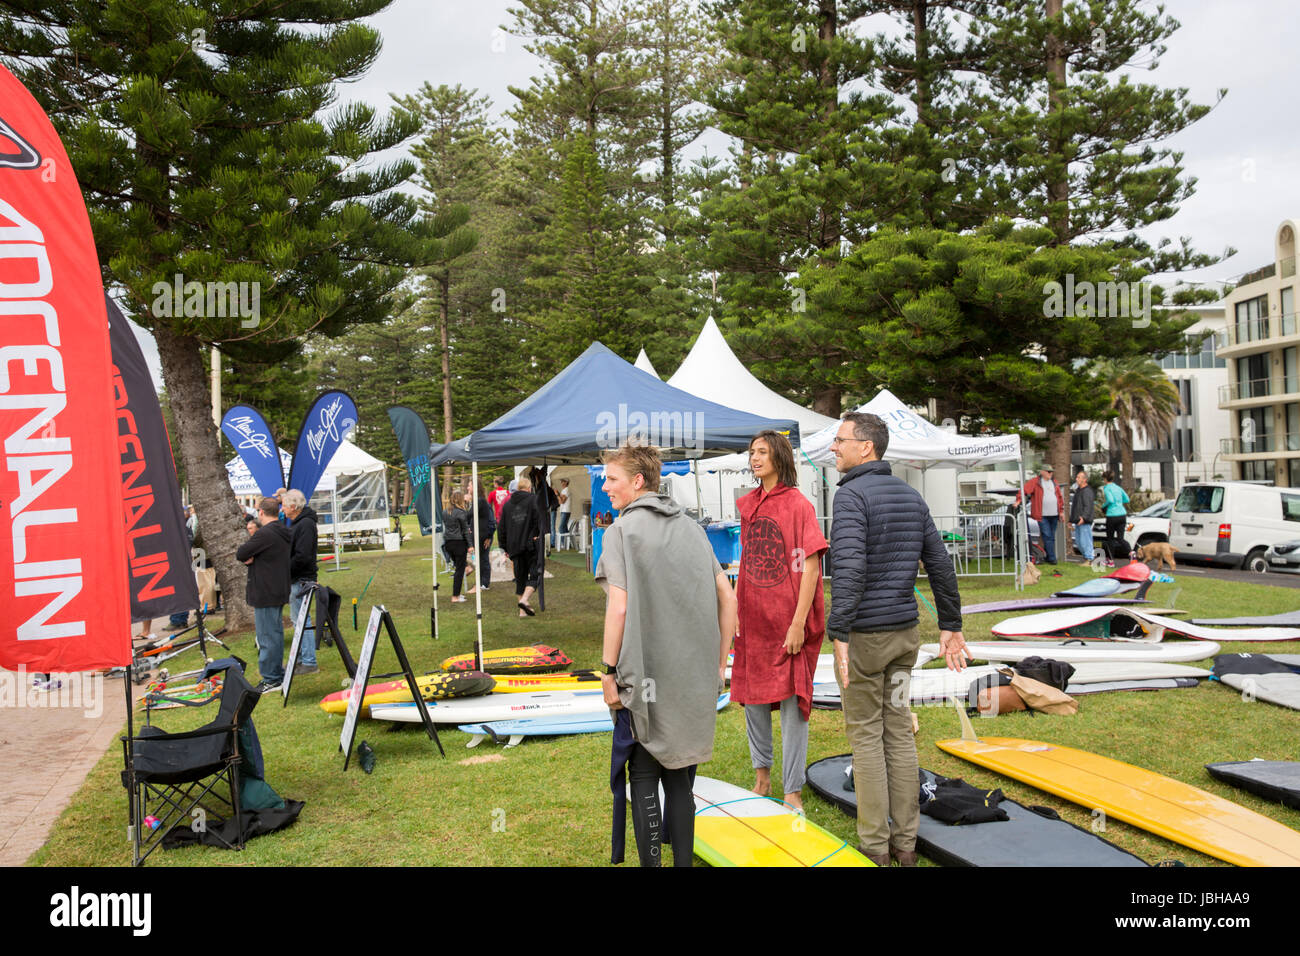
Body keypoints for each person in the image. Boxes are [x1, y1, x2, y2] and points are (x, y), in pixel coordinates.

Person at [827, 412, 968, 867]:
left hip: (866, 638)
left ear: (865, 447)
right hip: (906, 638)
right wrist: (950, 624)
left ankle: (876, 847)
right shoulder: (911, 496)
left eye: (841, 440)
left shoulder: (850, 496)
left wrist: (840, 632)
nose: (834, 447)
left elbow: (849, 569)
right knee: (899, 733)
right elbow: (940, 565)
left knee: (867, 737)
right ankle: (906, 844)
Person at [595, 443, 737, 867]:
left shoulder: (621, 531)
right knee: (680, 782)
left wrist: (606, 671)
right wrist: (719, 662)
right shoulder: (692, 527)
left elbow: (618, 607)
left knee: (642, 776)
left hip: (643, 677)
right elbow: (727, 597)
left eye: (612, 479)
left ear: (638, 481)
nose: (605, 487)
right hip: (691, 677)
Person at [732, 430, 827, 812]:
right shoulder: (748, 504)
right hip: (754, 619)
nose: (755, 458)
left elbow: (811, 564)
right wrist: (737, 613)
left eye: (762, 452)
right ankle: (762, 778)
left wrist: (798, 623)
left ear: (779, 458)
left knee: (792, 703)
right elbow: (748, 561)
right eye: (752, 452)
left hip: (788, 619)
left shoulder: (798, 505)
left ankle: (792, 791)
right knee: (754, 699)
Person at [236, 496, 292, 693]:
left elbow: (241, 553)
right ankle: (277, 673)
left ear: (260, 512)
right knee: (274, 633)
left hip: (266, 589)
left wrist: (252, 557)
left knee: (267, 636)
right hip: (278, 586)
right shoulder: (284, 530)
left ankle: (271, 678)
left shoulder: (265, 533)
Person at [282, 489, 319, 674]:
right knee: (297, 619)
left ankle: (309, 661)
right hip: (297, 577)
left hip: (301, 578)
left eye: (284, 505)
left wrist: (285, 569)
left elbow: (303, 556)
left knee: (302, 619)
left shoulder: (305, 525)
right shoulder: (300, 523)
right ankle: (301, 657)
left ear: (293, 507)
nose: (283, 509)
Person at [499, 475, 541, 616]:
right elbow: (538, 520)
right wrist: (536, 534)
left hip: (514, 547)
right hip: (530, 545)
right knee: (535, 574)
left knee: (520, 578)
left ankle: (522, 612)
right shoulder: (533, 500)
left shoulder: (507, 505)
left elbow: (501, 528)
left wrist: (505, 547)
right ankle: (524, 599)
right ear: (529, 488)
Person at [1014, 464, 1065, 565]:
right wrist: (1018, 500)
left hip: (1054, 514)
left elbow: (1059, 497)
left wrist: (1061, 512)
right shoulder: (1035, 482)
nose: (1051, 473)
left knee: (1051, 537)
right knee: (1047, 536)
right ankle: (1052, 558)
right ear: (1042, 472)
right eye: (1048, 472)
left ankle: (1046, 556)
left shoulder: (1054, 482)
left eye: (1051, 472)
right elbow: (1024, 490)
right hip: (1042, 515)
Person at [467, 479, 496, 594]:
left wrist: (489, 536)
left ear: (475, 487)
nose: (467, 488)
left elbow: (491, 521)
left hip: (484, 536)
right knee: (479, 559)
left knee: (483, 559)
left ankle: (484, 583)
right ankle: (480, 582)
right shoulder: (477, 501)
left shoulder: (480, 501)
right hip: (478, 535)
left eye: (469, 486)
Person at [444, 489, 472, 603]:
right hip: (458, 543)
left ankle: (468, 569)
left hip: (448, 543)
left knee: (459, 567)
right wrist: (470, 545)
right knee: (459, 570)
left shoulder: (445, 512)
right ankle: (455, 596)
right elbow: (465, 530)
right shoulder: (461, 512)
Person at [1101, 470, 1130, 567]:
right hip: (1122, 515)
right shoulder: (1118, 488)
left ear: (1105, 479)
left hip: (1112, 515)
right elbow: (1127, 499)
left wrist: (1103, 506)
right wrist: (1119, 503)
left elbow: (1110, 500)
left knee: (1110, 539)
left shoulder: (1106, 488)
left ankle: (1110, 561)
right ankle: (1131, 553)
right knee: (1120, 538)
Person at [1069, 468, 1097, 563]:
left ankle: (1089, 558)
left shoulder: (1087, 491)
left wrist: (1084, 518)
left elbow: (1088, 506)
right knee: (1079, 542)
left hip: (1084, 521)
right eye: (1076, 477)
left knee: (1086, 541)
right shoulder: (1078, 490)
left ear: (1084, 479)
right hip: (1077, 520)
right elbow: (1075, 506)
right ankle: (1086, 558)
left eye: (1079, 477)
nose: (1076, 479)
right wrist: (1071, 520)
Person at [555, 478, 572, 549]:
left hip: (565, 511)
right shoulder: (564, 490)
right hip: (564, 510)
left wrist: (557, 494)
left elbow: (562, 501)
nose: (561, 483)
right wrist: (558, 495)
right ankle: (569, 544)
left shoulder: (566, 490)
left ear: (566, 482)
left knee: (561, 527)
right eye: (561, 481)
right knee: (564, 528)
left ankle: (562, 544)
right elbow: (560, 501)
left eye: (563, 481)